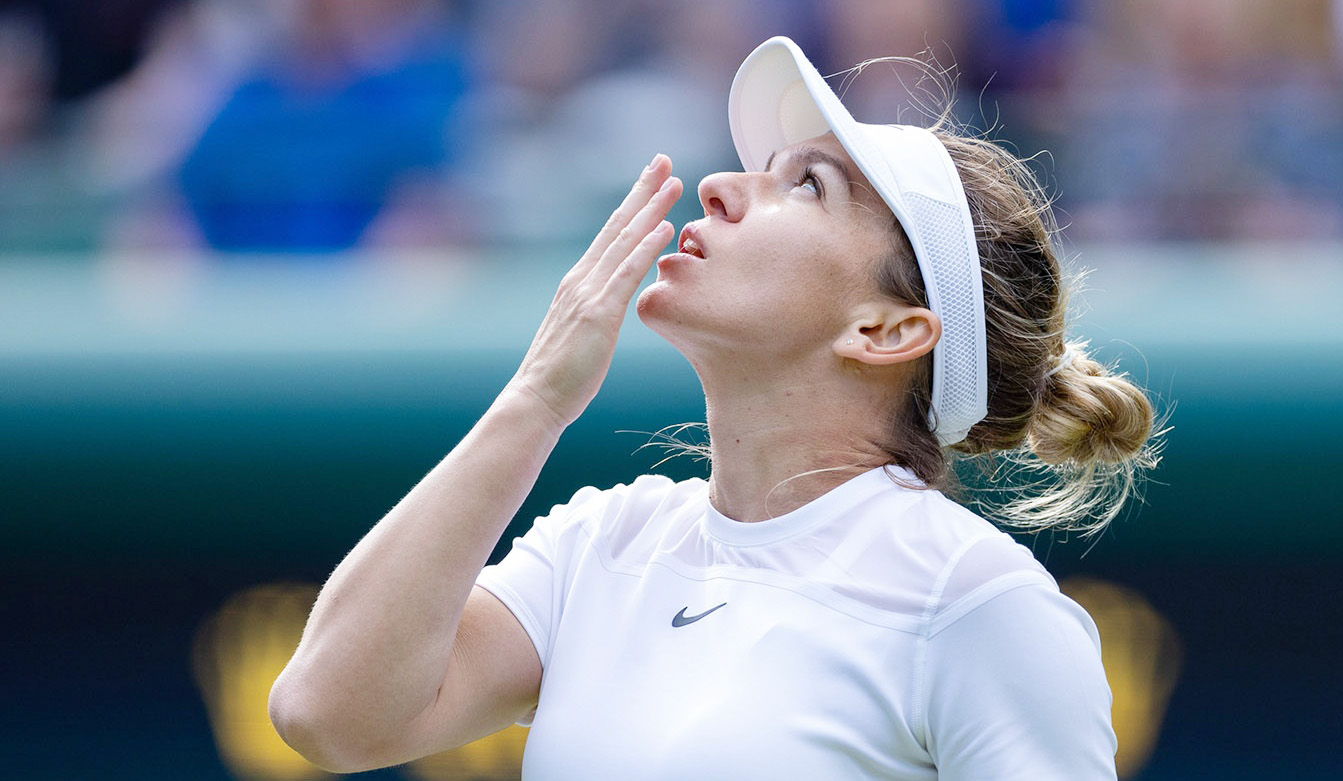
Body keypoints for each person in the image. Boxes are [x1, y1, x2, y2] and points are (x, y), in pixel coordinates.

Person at [269, 36, 1158, 778]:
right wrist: (537, 398)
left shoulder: (976, 602)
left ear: (886, 329)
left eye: (807, 185)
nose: (722, 187)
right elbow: (329, 712)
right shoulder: (602, 541)